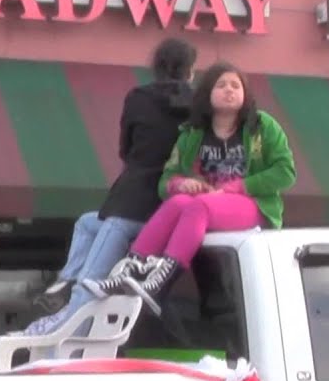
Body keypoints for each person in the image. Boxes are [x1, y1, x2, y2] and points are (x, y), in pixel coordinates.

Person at [86, 62, 295, 311]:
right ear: (207, 93)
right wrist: (181, 183)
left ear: (245, 94)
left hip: (253, 205)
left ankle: (162, 282)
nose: (229, 90)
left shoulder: (262, 126)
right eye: (221, 85)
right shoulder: (193, 133)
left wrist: (238, 187)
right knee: (177, 202)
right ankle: (129, 270)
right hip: (206, 204)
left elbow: (285, 173)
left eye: (236, 85)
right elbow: (165, 183)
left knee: (199, 206)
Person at [26, 38, 198, 334]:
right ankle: (67, 285)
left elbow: (126, 149)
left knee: (90, 284)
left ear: (156, 66)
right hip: (166, 207)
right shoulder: (198, 105)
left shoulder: (138, 98)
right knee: (86, 223)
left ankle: (67, 302)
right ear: (190, 71)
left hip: (130, 206)